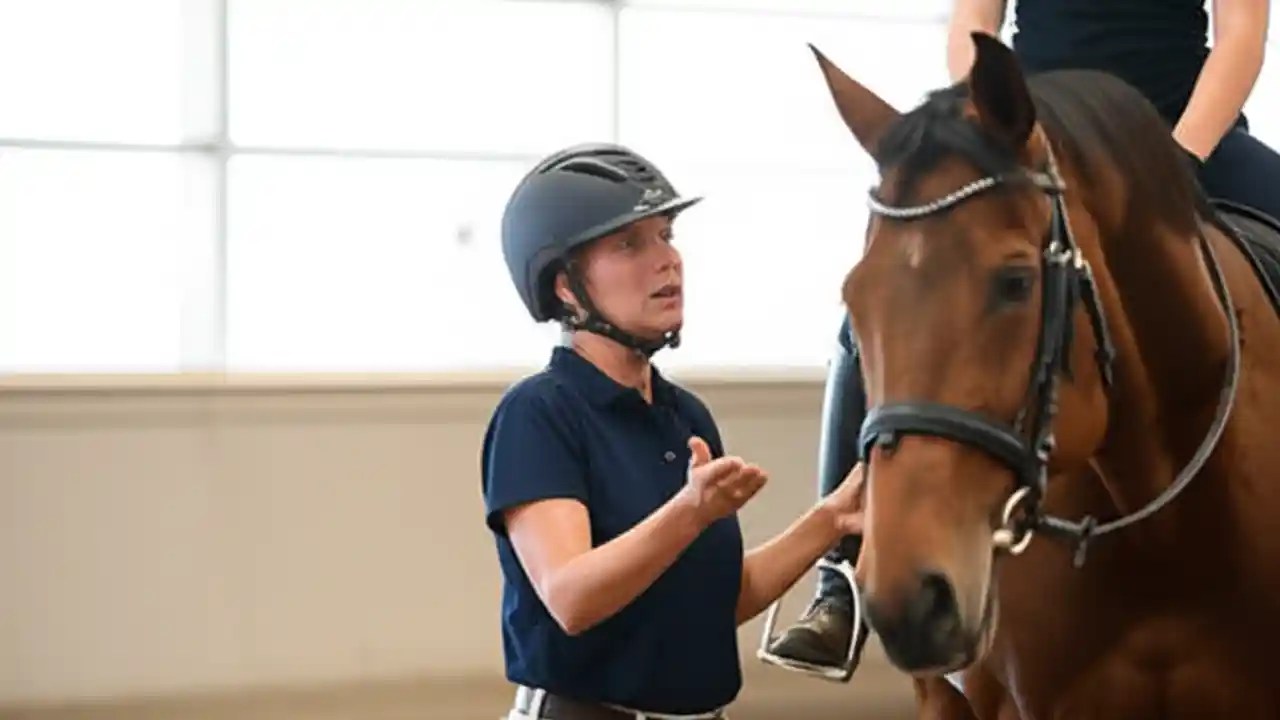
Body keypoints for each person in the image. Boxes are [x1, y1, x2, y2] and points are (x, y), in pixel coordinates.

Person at [764, 0, 1277, 679]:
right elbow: (973, 29)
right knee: (880, 304)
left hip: (1182, 132)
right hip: (1031, 136)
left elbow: (1240, 35)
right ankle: (841, 586)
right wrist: (985, 128)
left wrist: (1173, 164)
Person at [481, 142, 867, 720]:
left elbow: (717, 600)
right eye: (630, 243)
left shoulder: (685, 415)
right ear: (566, 286)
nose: (668, 259)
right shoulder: (538, 413)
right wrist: (690, 512)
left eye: (666, 235)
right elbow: (571, 597)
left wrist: (832, 518)